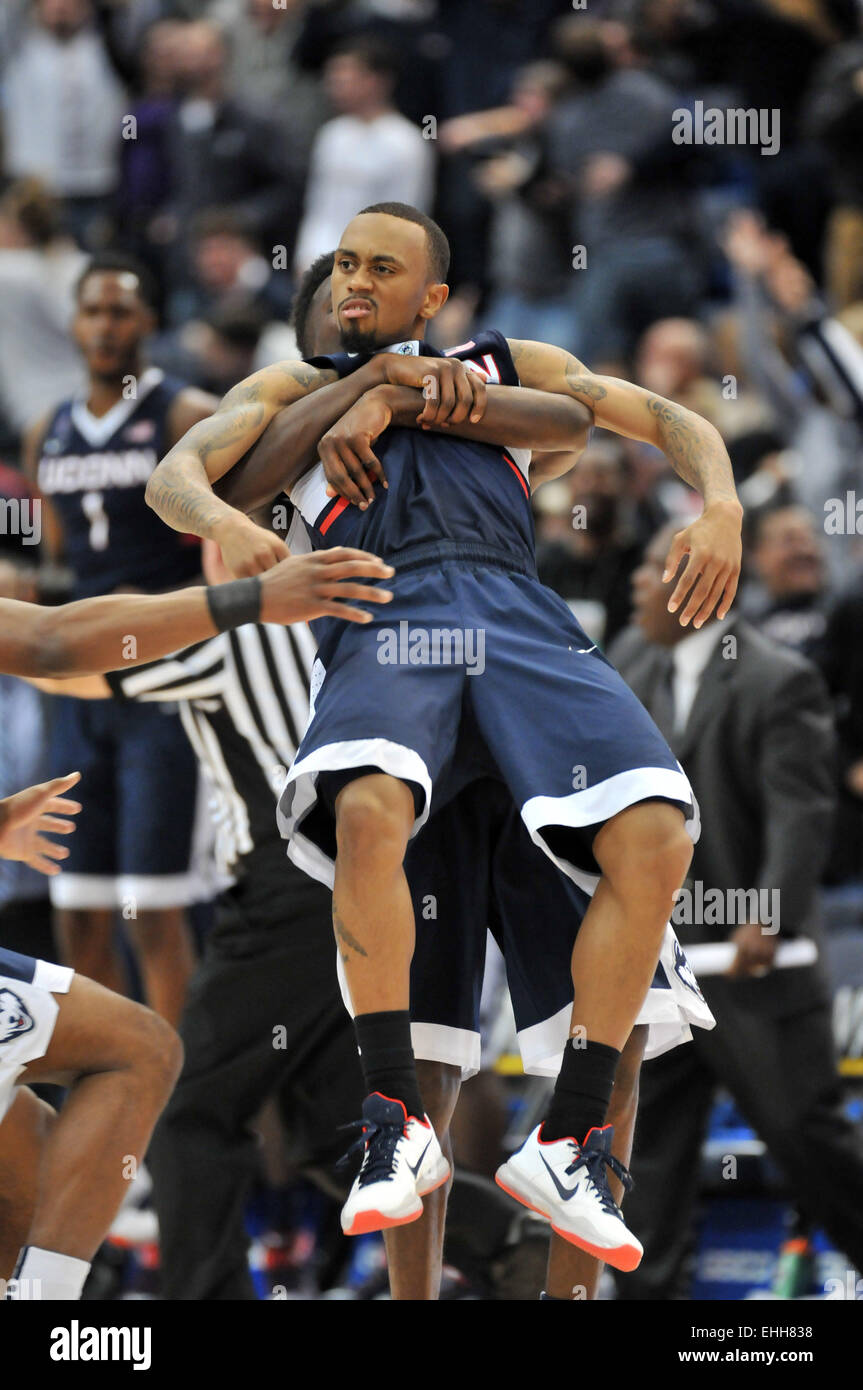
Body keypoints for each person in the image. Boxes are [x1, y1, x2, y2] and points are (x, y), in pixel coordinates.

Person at [145, 200, 742, 1271]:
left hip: (517, 622)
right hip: (392, 618)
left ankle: (568, 1140)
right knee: (372, 824)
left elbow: (658, 418)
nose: (353, 280)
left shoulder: (500, 366)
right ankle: (389, 1120)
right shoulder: (292, 391)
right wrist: (239, 517)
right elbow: (176, 474)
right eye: (341, 266)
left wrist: (721, 505)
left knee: (654, 835)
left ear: (433, 296)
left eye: (381, 267)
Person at [0, 536, 393, 1300]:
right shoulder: (366, 631)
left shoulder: (232, 644)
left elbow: (66, 657)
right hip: (379, 886)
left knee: (158, 1101)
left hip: (292, 889)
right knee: (154, 1066)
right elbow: (47, 640)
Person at [609, 520, 863, 1297]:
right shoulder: (627, 663)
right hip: (658, 965)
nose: (636, 584)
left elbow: (800, 811)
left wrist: (770, 913)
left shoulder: (774, 677)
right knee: (645, 1155)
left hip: (750, 960)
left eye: (651, 570)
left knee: (802, 1137)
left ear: (693, 585)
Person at [25, 252, 221, 1026]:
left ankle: (172, 1116)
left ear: (150, 323)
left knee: (156, 912)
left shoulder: (185, 415)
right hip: (76, 695)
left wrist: (163, 610)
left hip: (163, 691)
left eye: (122, 311)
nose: (106, 326)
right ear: (74, 324)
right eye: (94, 311)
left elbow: (223, 553)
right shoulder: (48, 429)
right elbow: (58, 564)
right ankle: (104, 1097)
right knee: (78, 913)